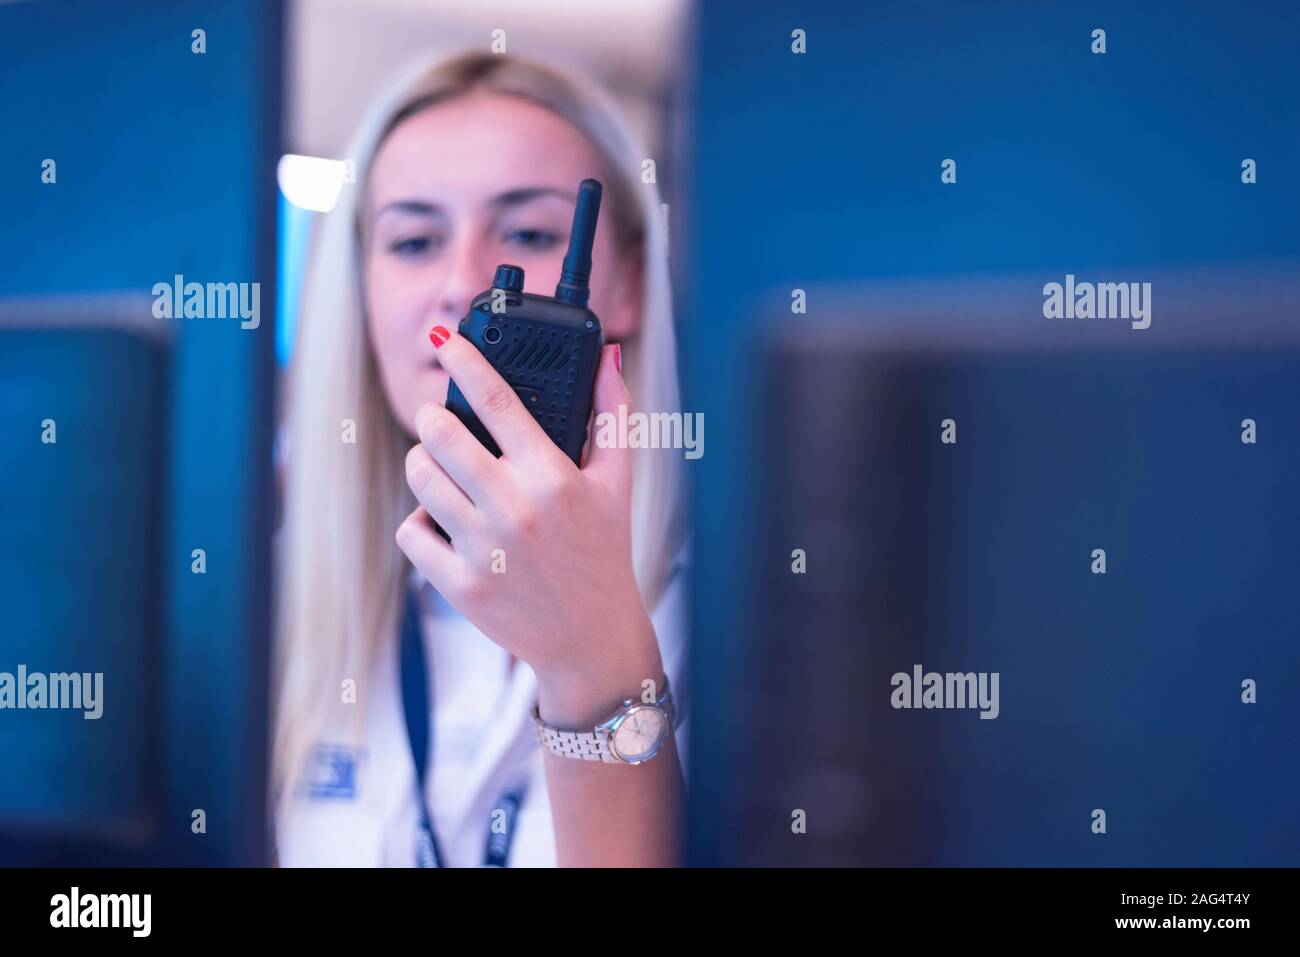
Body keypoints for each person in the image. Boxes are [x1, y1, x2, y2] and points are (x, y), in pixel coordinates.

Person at [271, 50, 690, 867]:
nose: (464, 285)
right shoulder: (268, 601)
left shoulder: (733, 614)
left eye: (532, 232)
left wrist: (596, 666)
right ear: (358, 285)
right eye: (415, 238)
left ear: (631, 282)